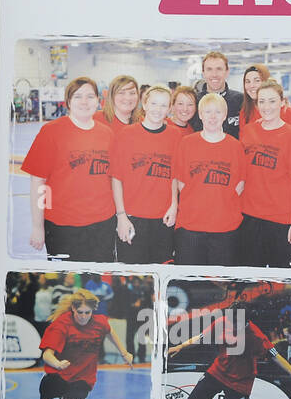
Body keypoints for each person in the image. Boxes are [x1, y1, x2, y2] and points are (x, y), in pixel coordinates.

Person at [22, 77, 117, 262]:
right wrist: (37, 226)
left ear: (98, 101)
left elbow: (112, 179)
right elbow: (38, 182)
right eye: (78, 96)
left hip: (103, 224)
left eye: (90, 96)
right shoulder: (51, 132)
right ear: (68, 102)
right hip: (62, 227)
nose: (84, 102)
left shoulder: (107, 134)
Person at [239, 80, 291, 268]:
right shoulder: (248, 131)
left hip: (280, 221)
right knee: (250, 284)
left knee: (282, 286)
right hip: (249, 218)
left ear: (282, 103)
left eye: (271, 101)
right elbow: (242, 176)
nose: (266, 107)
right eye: (261, 101)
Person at [172, 92, 246, 266]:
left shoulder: (235, 146)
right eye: (208, 112)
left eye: (217, 112)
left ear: (225, 115)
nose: (212, 117)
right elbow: (181, 183)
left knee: (220, 286)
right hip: (191, 226)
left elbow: (239, 185)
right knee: (191, 284)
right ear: (200, 114)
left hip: (225, 227)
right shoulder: (186, 144)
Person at [111, 84, 179, 264]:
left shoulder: (175, 136)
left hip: (163, 219)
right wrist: (121, 216)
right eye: (154, 104)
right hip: (133, 218)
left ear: (170, 108)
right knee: (133, 279)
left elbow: (175, 176)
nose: (158, 109)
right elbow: (116, 178)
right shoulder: (126, 135)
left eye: (164, 105)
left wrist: (174, 205)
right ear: (145, 104)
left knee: (162, 275)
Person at [189, 51, 243, 138]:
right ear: (203, 73)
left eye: (219, 69)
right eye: (209, 69)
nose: (214, 74)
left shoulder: (240, 100)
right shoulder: (194, 101)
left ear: (227, 72)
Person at [239, 63, 291, 128]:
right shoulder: (245, 112)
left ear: (266, 82)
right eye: (247, 81)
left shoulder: (285, 111)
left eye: (257, 81)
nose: (251, 85)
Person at [96, 74, 139, 140]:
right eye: (121, 93)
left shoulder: (143, 122)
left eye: (132, 93)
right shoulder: (97, 119)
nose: (127, 98)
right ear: (112, 96)